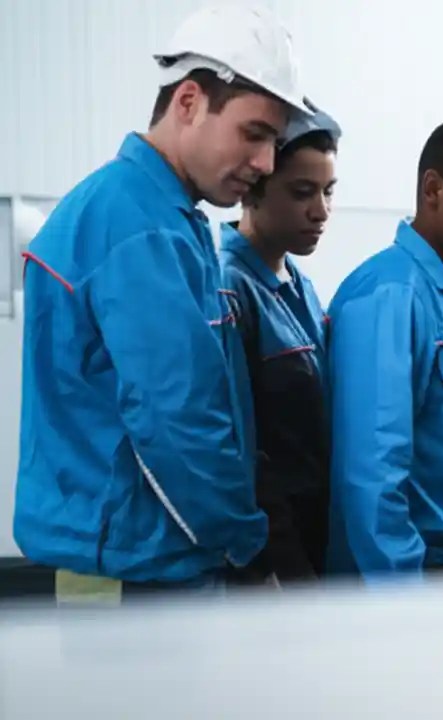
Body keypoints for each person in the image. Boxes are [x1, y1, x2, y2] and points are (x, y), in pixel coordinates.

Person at [12, 5, 311, 602]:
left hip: (136, 555)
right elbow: (177, 419)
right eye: (254, 134)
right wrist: (248, 544)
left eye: (275, 143)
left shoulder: (156, 216)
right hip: (135, 569)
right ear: (189, 103)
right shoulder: (137, 225)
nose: (266, 163)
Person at [326, 118, 443, 579]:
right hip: (417, 572)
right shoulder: (391, 294)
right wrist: (403, 603)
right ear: (434, 190)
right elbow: (373, 474)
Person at [219, 101, 341, 586]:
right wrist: (276, 562)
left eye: (329, 191)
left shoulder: (300, 283)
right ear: (253, 189)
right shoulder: (228, 286)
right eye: (302, 192)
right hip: (270, 550)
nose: (321, 210)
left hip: (312, 532)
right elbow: (239, 447)